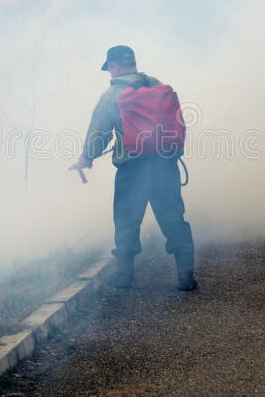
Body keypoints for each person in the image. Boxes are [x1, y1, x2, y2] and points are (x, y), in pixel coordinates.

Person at [69, 45, 197, 291]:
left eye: (110, 69)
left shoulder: (112, 94)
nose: (110, 73)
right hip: (164, 164)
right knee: (173, 219)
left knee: (126, 220)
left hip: (132, 169)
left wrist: (86, 158)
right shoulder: (157, 85)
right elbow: (177, 121)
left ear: (115, 67)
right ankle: (186, 276)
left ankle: (124, 277)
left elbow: (99, 131)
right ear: (134, 63)